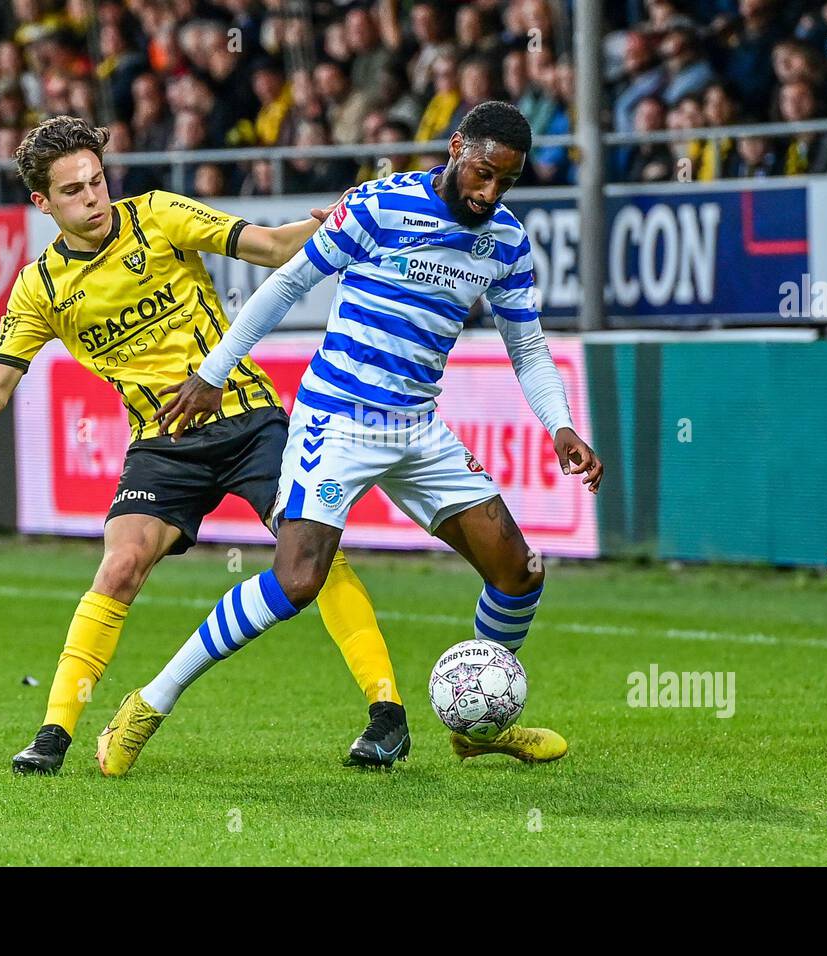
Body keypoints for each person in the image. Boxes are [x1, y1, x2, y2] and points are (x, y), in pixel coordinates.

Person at [96, 102, 604, 777]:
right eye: (482, 173)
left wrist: (561, 425)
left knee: (520, 572)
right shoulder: (379, 205)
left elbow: (529, 349)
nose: (489, 193)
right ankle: (147, 705)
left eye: (504, 183)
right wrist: (213, 372)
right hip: (337, 419)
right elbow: (290, 282)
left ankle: (478, 726)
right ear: (456, 148)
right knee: (298, 580)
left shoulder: (504, 240)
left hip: (416, 426)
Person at [0, 116, 410, 774]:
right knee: (120, 565)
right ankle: (53, 735)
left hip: (246, 416)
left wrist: (342, 222)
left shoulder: (159, 215)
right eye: (75, 190)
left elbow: (275, 247)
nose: (94, 197)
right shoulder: (40, 288)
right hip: (163, 445)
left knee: (308, 547)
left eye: (98, 180)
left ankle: (386, 713)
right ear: (42, 203)